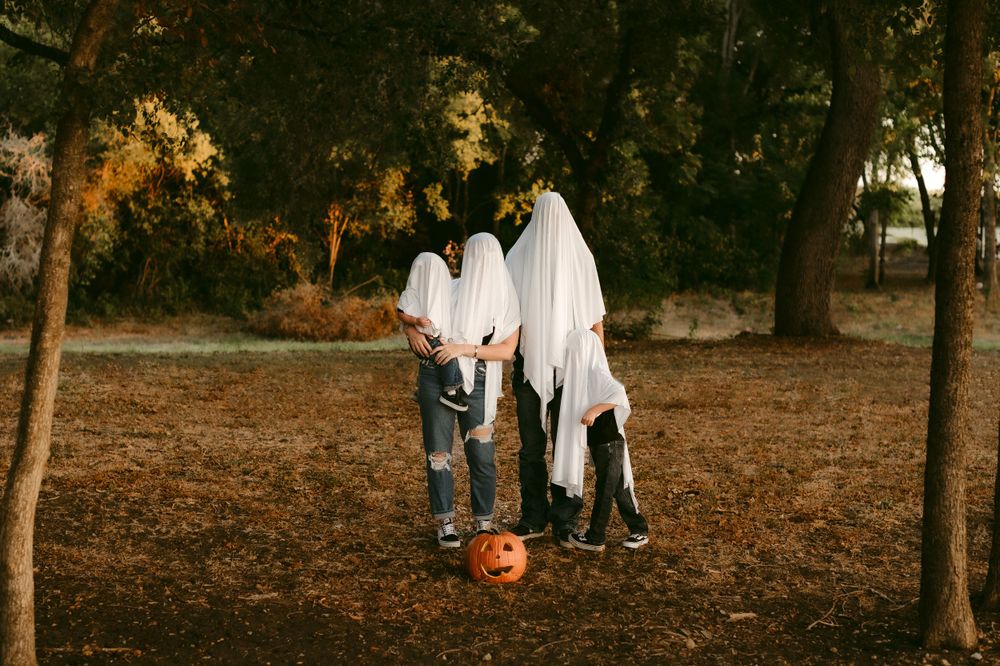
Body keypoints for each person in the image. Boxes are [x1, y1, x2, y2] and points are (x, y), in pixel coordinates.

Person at [403, 233, 520, 548]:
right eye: (473, 256)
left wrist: (463, 349)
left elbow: (507, 351)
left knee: (481, 453)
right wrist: (410, 328)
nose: (479, 263)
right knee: (438, 452)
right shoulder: (452, 289)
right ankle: (446, 522)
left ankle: (483, 522)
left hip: (479, 379)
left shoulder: (507, 300)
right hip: (434, 374)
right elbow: (420, 313)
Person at [504, 192, 606, 545]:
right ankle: (533, 516)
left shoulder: (581, 258)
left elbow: (595, 320)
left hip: (572, 370)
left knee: (568, 443)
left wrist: (599, 371)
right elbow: (504, 313)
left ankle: (565, 518)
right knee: (531, 445)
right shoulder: (516, 257)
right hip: (528, 365)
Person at [552, 329, 648, 551]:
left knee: (606, 488)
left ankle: (596, 537)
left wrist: (595, 410)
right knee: (617, 488)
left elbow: (619, 394)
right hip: (601, 444)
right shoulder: (583, 376)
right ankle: (638, 528)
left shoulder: (596, 371)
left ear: (584, 350)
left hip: (610, 443)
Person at [397, 252, 467, 411]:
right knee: (446, 358)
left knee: (442, 358)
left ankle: (425, 389)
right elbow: (400, 313)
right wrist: (413, 325)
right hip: (429, 340)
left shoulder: (448, 291)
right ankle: (451, 390)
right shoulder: (412, 293)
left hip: (437, 340)